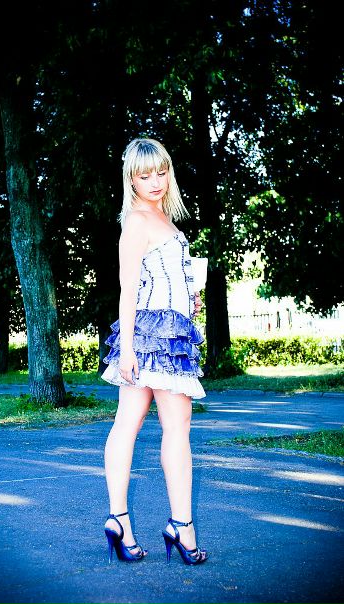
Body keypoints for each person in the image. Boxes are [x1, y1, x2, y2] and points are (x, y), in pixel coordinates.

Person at [101, 138, 208, 566]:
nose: (156, 181)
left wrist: (189, 298)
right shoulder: (136, 222)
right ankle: (178, 526)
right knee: (165, 427)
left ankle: (122, 522)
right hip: (151, 336)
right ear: (131, 180)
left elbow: (159, 279)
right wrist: (127, 349)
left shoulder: (163, 217)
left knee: (140, 425)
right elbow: (127, 289)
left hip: (168, 332)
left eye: (161, 172)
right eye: (145, 176)